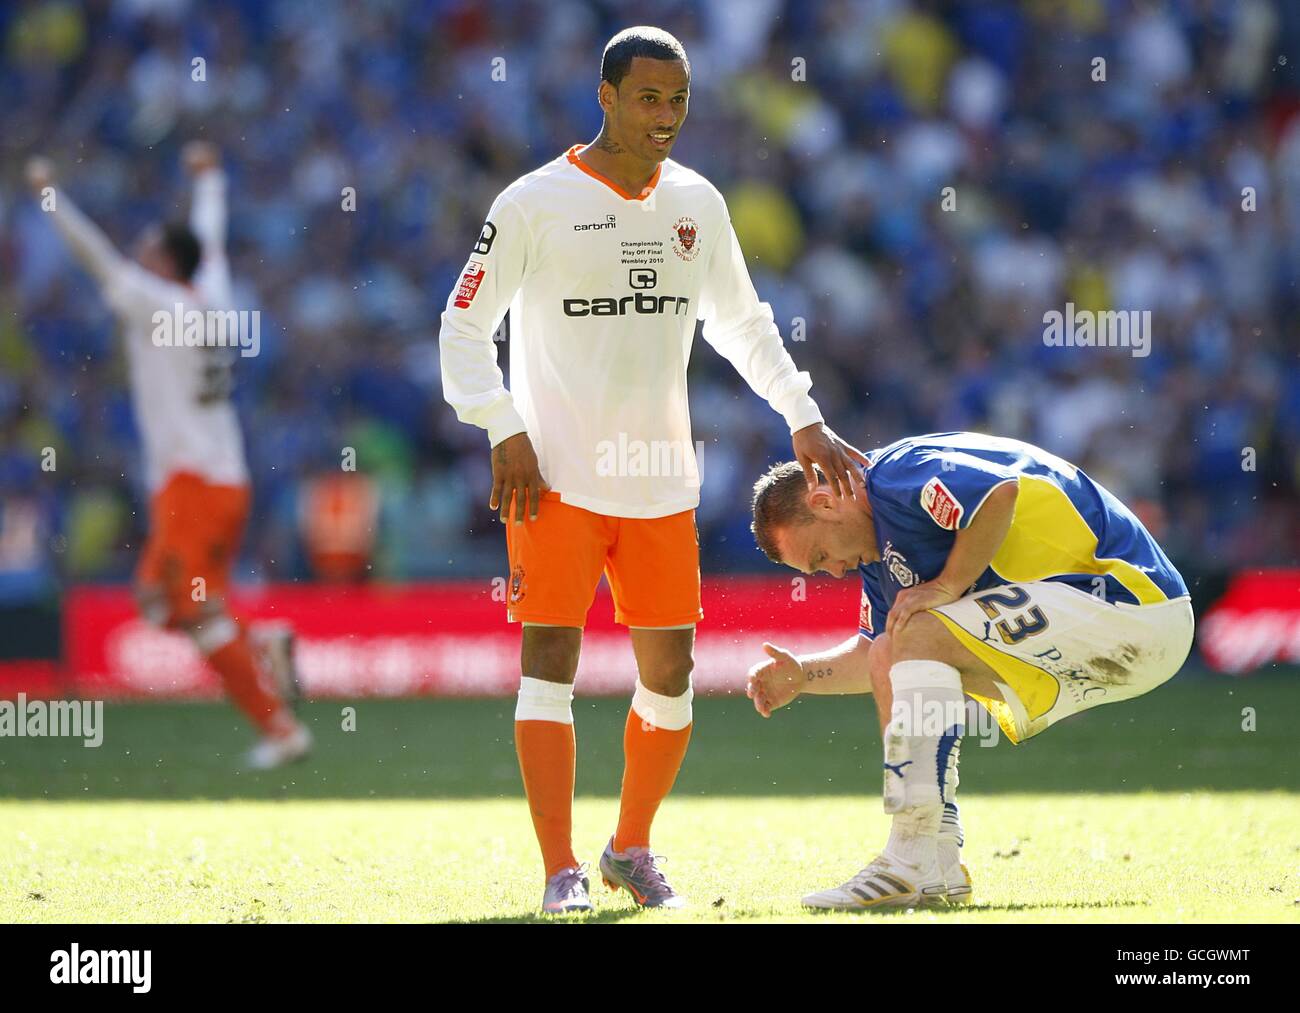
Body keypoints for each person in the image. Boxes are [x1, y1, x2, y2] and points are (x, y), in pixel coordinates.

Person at [439, 26, 866, 913]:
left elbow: (743, 323)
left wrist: (802, 412)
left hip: (660, 481)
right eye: (647, 97)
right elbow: (462, 328)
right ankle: (560, 869)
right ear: (605, 95)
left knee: (670, 678)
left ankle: (628, 848)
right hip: (552, 478)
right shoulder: (533, 201)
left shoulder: (698, 205)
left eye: (677, 99)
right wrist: (501, 425)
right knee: (547, 664)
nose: (665, 116)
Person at [746, 431, 1194, 909]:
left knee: (912, 633)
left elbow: (996, 493)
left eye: (819, 556)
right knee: (895, 648)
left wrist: (947, 586)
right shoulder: (878, 554)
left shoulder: (895, 475)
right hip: (1104, 633)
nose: (834, 572)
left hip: (1134, 604)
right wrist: (804, 674)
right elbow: (882, 656)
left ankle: (909, 857)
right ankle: (937, 864)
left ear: (825, 501)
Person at [26, 144, 310, 770]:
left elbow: (94, 259)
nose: (140, 254)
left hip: (195, 484)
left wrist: (50, 197)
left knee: (190, 609)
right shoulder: (209, 289)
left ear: (163, 263)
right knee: (156, 602)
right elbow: (208, 234)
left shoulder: (158, 305)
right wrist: (209, 180)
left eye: (150, 247)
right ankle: (259, 647)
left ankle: (280, 727)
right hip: (209, 479)